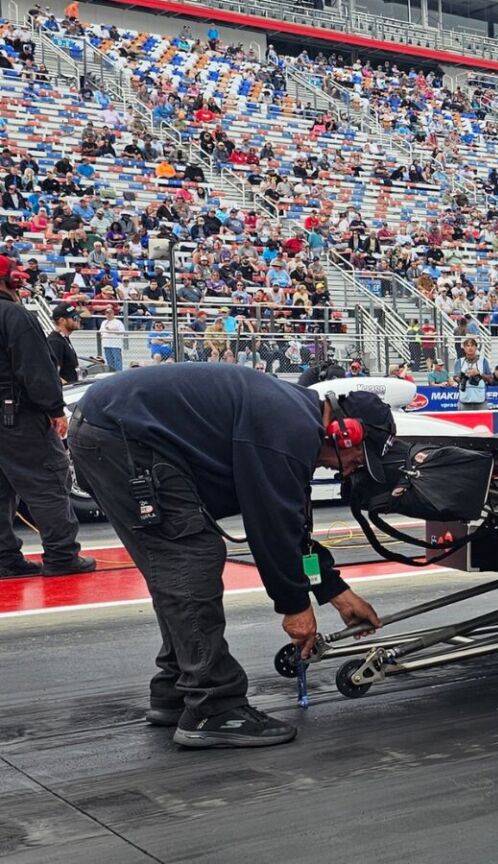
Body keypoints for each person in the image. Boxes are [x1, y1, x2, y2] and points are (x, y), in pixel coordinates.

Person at [68, 365, 388, 748]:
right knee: (190, 558)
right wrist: (294, 606)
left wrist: (335, 592)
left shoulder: (293, 421)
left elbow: (292, 531)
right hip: (123, 436)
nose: (352, 471)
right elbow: (269, 526)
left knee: (177, 563)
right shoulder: (288, 429)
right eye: (359, 460)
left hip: (113, 430)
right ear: (345, 433)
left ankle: (176, 689)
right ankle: (213, 706)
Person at [0, 258, 94, 578]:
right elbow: (37, 370)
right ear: (11, 281)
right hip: (16, 416)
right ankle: (62, 556)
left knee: (1, 490)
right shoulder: (15, 315)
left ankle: (4, 559)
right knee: (49, 483)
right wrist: (55, 409)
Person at [48, 303, 81, 384]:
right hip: (66, 393)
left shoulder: (63, 338)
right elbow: (52, 374)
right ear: (62, 321)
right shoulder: (55, 342)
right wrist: (69, 388)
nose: (79, 320)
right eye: (75, 318)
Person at [455, 337, 491, 410]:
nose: (470, 348)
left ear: (476, 347)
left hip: (480, 400)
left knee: (482, 421)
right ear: (464, 348)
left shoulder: (483, 361)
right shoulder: (459, 361)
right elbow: (455, 378)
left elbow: (491, 379)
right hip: (464, 400)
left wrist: (478, 374)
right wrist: (463, 376)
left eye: (472, 345)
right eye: (467, 346)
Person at [99, 303, 125, 372]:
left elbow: (122, 332)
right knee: (109, 360)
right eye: (107, 313)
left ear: (113, 313)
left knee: (117, 360)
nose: (108, 315)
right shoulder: (103, 322)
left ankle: (119, 373)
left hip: (116, 344)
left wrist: (112, 330)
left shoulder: (118, 322)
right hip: (106, 344)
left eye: (110, 313)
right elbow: (101, 332)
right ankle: (111, 372)